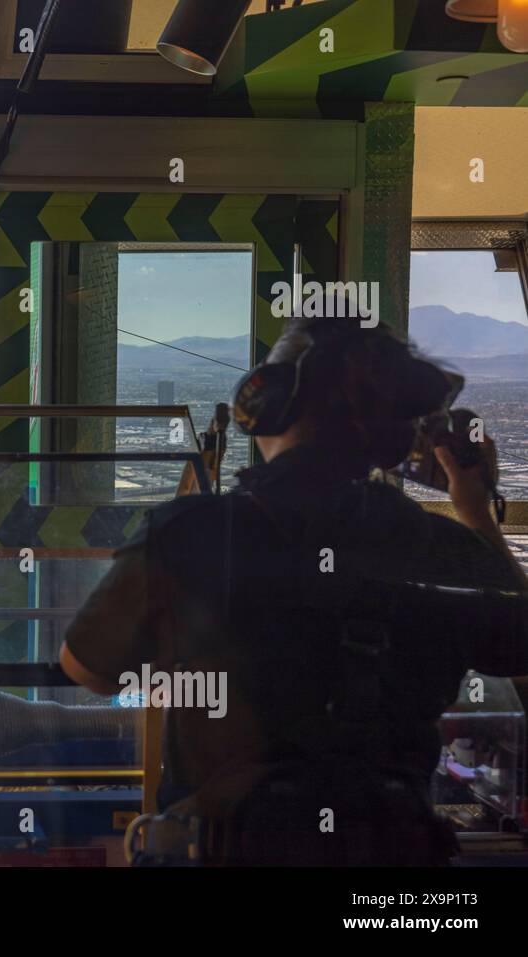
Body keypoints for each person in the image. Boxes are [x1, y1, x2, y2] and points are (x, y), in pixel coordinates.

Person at [60, 318, 528, 866]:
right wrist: (474, 509)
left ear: (269, 401)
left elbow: (88, 669)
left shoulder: (192, 532)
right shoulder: (434, 545)